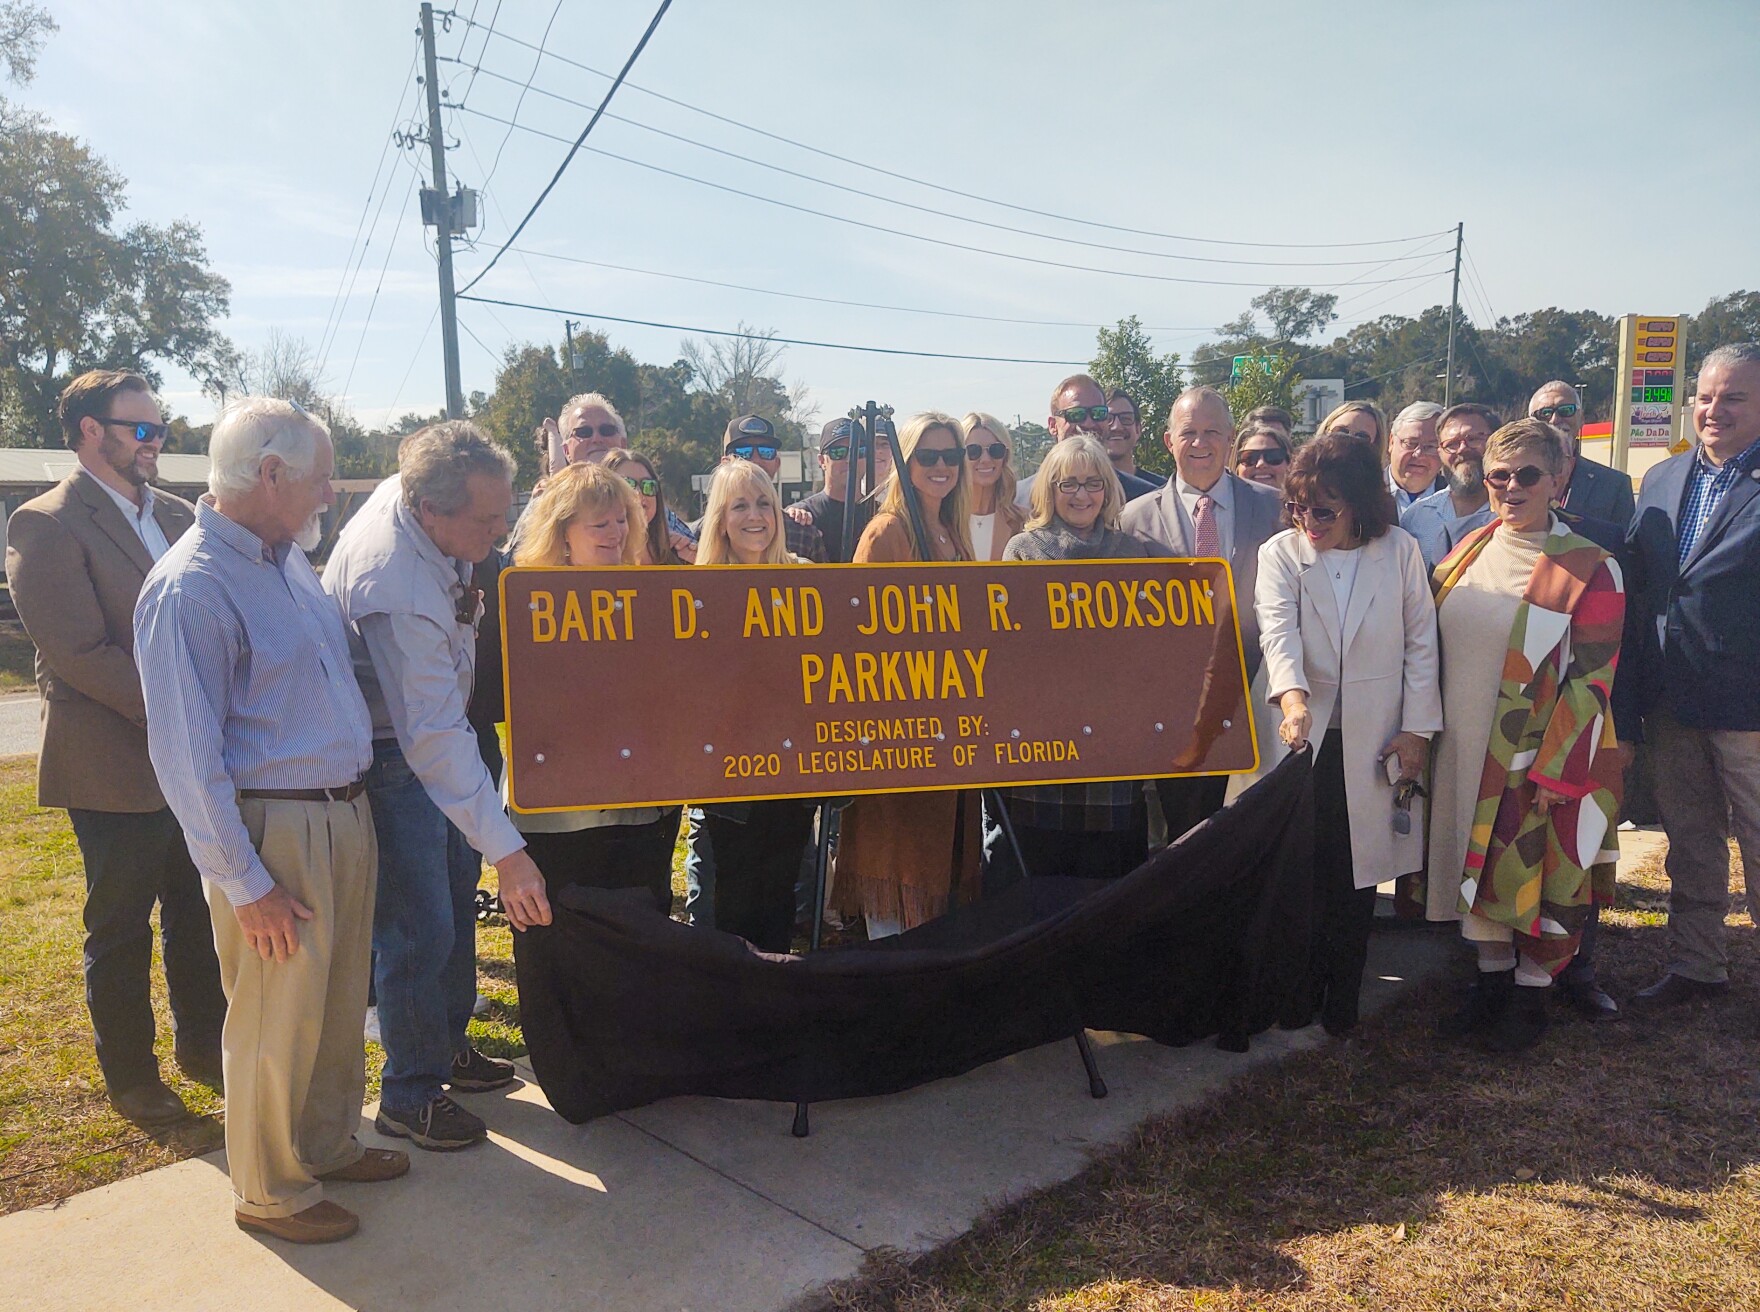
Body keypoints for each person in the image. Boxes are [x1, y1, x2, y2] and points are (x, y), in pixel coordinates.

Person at [134, 397, 401, 1245]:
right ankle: (270, 1190)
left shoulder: (285, 562)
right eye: (321, 475)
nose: (331, 490)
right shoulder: (191, 586)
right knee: (274, 1014)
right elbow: (186, 758)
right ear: (273, 473)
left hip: (340, 814)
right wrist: (245, 884)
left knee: (331, 1000)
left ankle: (322, 1142)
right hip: (273, 830)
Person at [4, 370, 225, 1130]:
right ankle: (134, 1079)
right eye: (141, 428)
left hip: (192, 760)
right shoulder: (46, 523)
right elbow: (77, 651)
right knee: (122, 926)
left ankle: (209, 1046)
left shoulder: (179, 513)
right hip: (111, 760)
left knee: (198, 910)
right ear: (89, 431)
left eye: (160, 428)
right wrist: (181, 714)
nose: (155, 441)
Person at [324, 422, 552, 1153]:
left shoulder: (427, 505)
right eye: (486, 520)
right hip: (395, 755)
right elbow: (427, 736)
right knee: (418, 927)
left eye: (504, 510)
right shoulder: (395, 582)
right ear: (429, 510)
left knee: (453, 907)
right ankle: (410, 1093)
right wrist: (510, 854)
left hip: (436, 732)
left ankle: (445, 1045)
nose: (501, 530)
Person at [1426, 419, 1625, 1051]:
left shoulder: (1592, 566)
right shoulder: (1467, 549)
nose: (1512, 487)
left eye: (1528, 475)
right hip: (1463, 745)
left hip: (1537, 753)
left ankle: (1532, 995)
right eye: (1498, 475)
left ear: (1559, 478)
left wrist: (1557, 771)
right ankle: (1490, 982)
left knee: (1537, 869)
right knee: (1473, 864)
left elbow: (1593, 680)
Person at [1256, 434, 1440, 1035]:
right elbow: (1277, 634)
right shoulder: (1281, 554)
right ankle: (1297, 990)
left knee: (1357, 871)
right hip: (1299, 734)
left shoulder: (1400, 551)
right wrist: (1292, 697)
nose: (1309, 521)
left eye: (1325, 510)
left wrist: (1417, 730)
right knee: (1299, 868)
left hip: (1375, 735)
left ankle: (1344, 996)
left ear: (1360, 504)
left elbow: (1420, 644)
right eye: (1300, 507)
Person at [1622, 342, 1760, 1008]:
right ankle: (1698, 966)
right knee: (1691, 840)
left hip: (1750, 706)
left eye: (1733, 397)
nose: (1714, 409)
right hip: (1673, 698)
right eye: (1705, 395)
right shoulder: (1662, 480)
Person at [992, 436, 1172, 880]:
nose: (1081, 495)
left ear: (1108, 491)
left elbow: (1145, 647)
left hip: (1113, 740)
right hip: (1043, 741)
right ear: (1049, 491)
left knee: (1110, 879)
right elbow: (1008, 648)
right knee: (1041, 880)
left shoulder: (1131, 551)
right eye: (1068, 484)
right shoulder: (1022, 549)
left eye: (1092, 483)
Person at [831, 413, 982, 936]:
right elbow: (857, 638)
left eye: (951, 456)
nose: (941, 467)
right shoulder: (887, 533)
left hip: (952, 732)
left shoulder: (952, 533)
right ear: (906, 464)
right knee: (895, 895)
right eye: (928, 456)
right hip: (900, 737)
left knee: (944, 882)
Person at [509, 462, 680, 915]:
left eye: (623, 519)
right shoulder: (523, 602)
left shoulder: (652, 595)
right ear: (562, 532)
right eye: (599, 524)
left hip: (641, 812)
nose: (616, 533)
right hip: (558, 818)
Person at [1120, 386, 1284, 838]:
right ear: (1168, 440)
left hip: (1257, 701)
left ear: (1230, 439)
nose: (1200, 443)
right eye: (1189, 432)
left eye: (1212, 431)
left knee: (1253, 834)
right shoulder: (1134, 520)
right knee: (1186, 837)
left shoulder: (1273, 507)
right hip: (1178, 715)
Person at [688, 460, 819, 950]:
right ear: (720, 517)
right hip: (728, 773)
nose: (756, 515)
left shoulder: (805, 577)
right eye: (740, 505)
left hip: (792, 767)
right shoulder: (698, 589)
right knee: (734, 899)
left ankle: (774, 1001)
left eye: (765, 503)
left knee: (782, 891)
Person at [1016, 374, 1157, 508]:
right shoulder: (1018, 499)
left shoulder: (1145, 498)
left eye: (1098, 413)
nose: (1089, 423)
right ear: (1053, 425)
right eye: (1076, 414)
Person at [700, 415, 825, 562]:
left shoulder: (805, 536)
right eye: (743, 452)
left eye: (766, 451)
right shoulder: (696, 537)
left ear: (777, 463)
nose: (756, 460)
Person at [1399, 402, 1500, 569]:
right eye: (1451, 444)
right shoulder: (1416, 517)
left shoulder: (1512, 514)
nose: (1462, 449)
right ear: (1440, 453)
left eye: (1473, 439)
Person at [1526, 380, 1636, 525]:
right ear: (1529, 422)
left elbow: (1624, 545)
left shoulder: (1614, 485)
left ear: (1581, 418)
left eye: (1565, 410)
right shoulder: (1509, 480)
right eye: (1544, 413)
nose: (1554, 419)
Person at [787, 415, 895, 562]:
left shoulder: (881, 514)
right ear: (822, 461)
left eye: (858, 451)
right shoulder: (801, 517)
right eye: (838, 452)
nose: (850, 459)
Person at [605, 448, 691, 564]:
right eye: (627, 485)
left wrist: (699, 563)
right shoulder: (599, 560)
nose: (639, 494)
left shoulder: (679, 553)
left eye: (648, 485)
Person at [961, 410, 1027, 559]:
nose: (985, 459)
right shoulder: (941, 523)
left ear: (1005, 456)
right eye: (973, 451)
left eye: (995, 450)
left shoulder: (1025, 522)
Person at [1386, 401, 1447, 511]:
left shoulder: (1457, 500)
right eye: (1410, 443)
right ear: (1391, 442)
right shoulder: (1365, 490)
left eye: (1430, 446)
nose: (1419, 454)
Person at [1103, 388, 1164, 486]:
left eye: (1126, 418)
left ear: (1138, 429)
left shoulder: (1161, 491)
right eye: (1108, 419)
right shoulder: (1078, 492)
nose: (1116, 427)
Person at [1231, 418, 1294, 493]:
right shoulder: (1215, 504)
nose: (1261, 464)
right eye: (1249, 458)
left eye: (1273, 457)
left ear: (1290, 464)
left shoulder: (1307, 504)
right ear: (1236, 466)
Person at [1319, 400, 1389, 462]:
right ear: (1325, 431)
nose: (1349, 441)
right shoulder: (1308, 473)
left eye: (1361, 437)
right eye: (1341, 431)